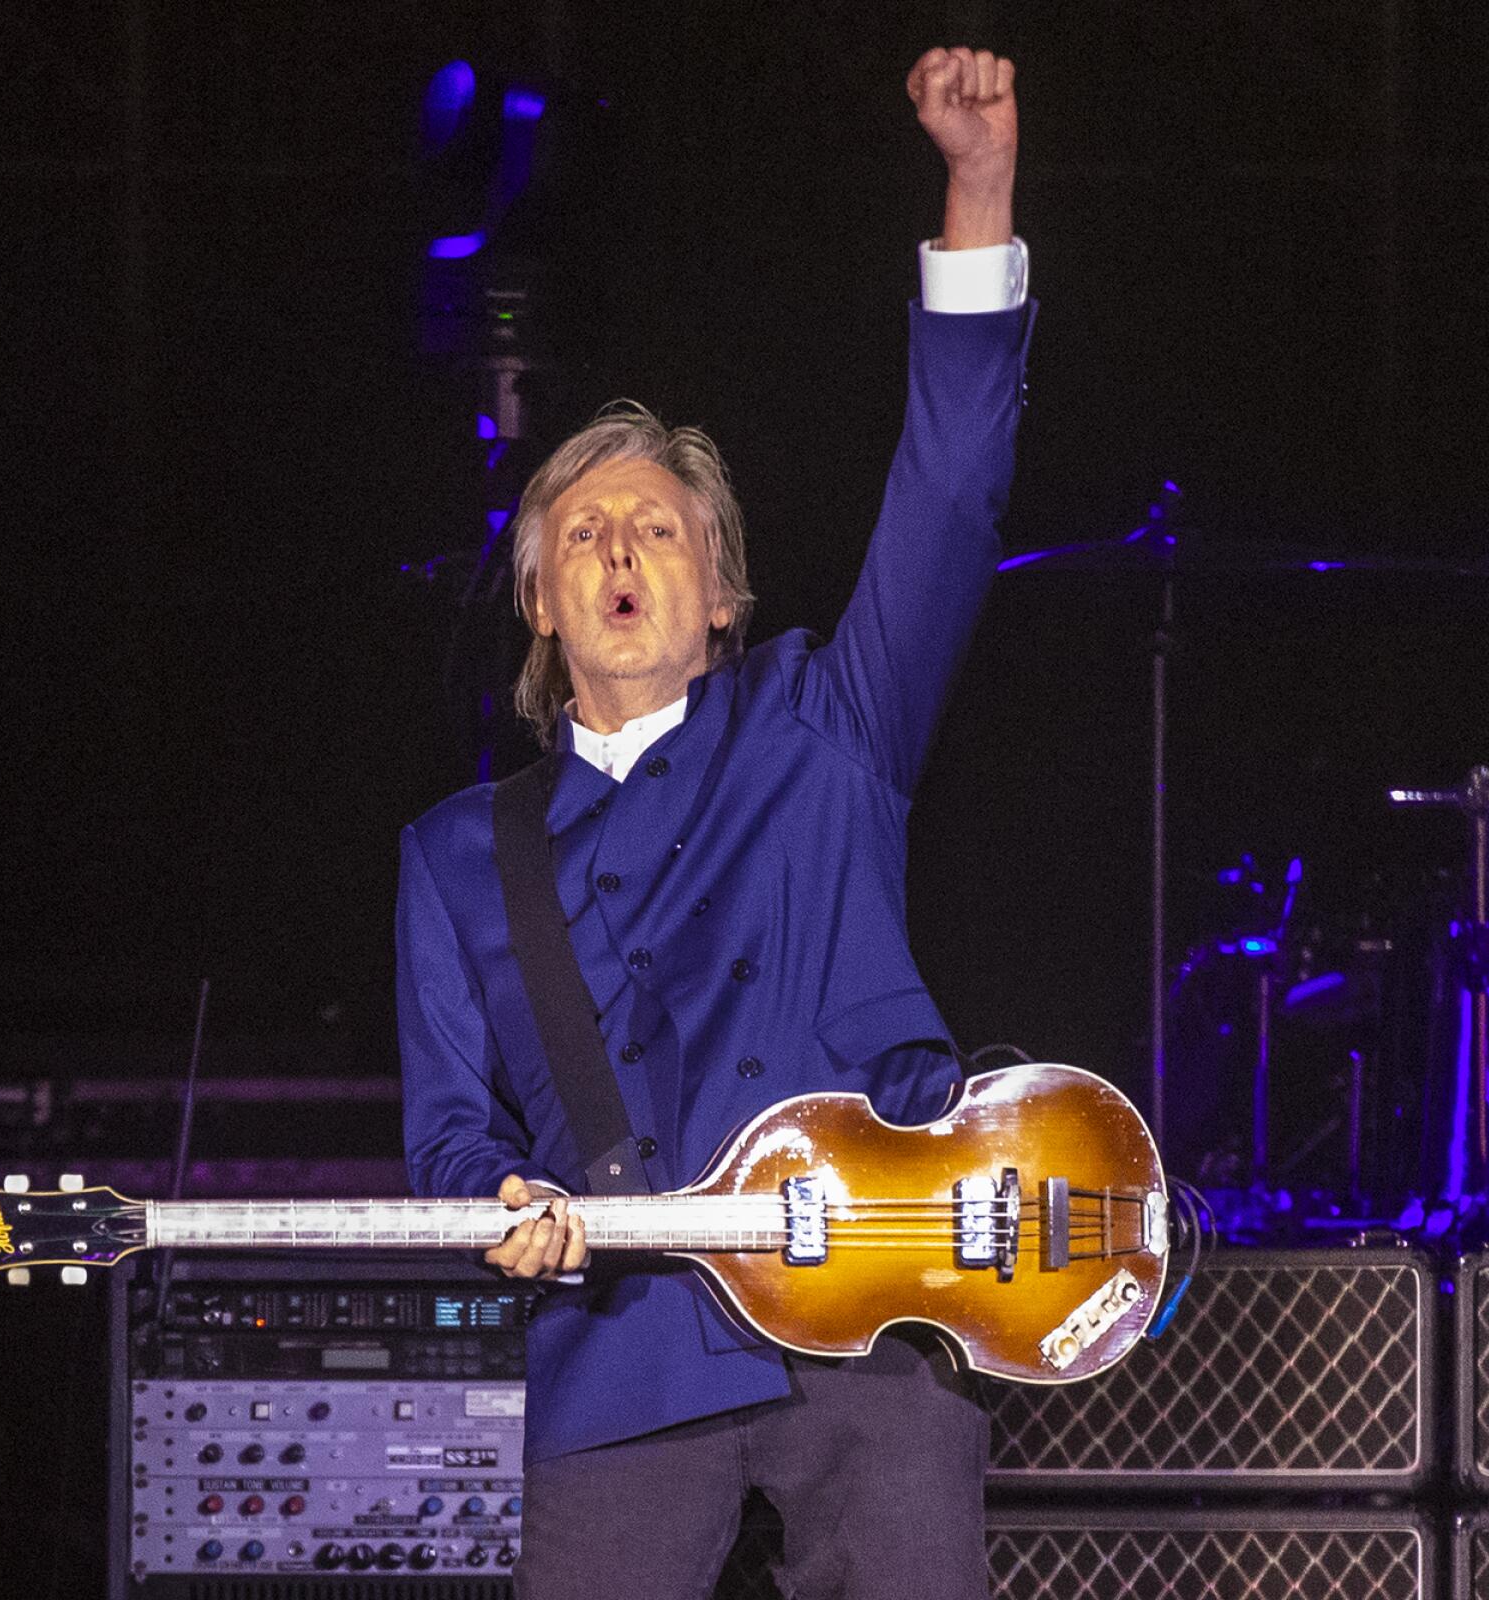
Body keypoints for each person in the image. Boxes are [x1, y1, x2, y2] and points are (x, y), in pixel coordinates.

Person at [396, 45, 1031, 1600]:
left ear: (722, 594)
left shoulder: (832, 725)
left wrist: (979, 189)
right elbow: (452, 1134)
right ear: (542, 600)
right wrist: (498, 1208)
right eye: (585, 533)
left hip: (875, 1320)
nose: (622, 548)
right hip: (621, 1364)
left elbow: (949, 498)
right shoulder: (459, 854)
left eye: (659, 528)